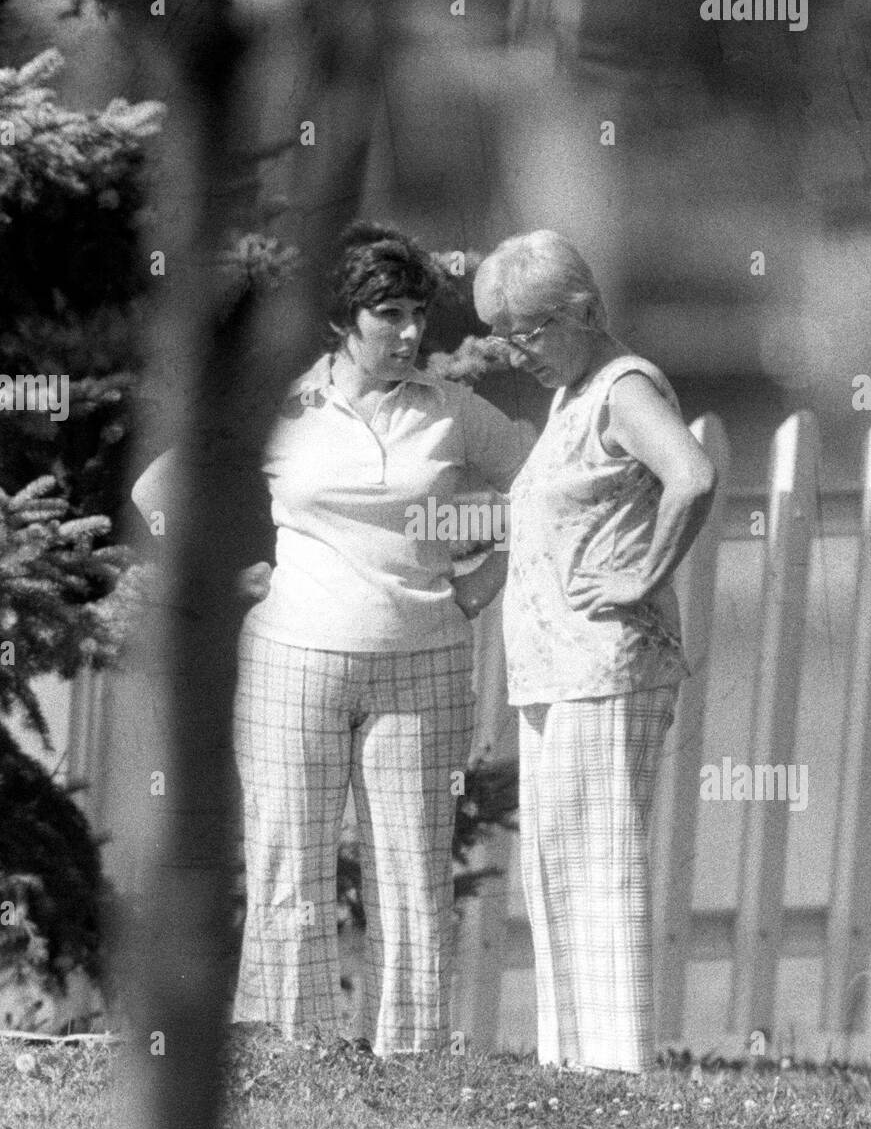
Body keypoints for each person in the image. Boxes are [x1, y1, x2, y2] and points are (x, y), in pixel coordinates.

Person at [133, 222, 530, 1056]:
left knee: (414, 869)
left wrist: (483, 581)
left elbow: (546, 487)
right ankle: (293, 1046)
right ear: (340, 322)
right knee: (289, 861)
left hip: (423, 662)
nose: (412, 333)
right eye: (388, 314)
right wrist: (223, 576)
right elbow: (159, 489)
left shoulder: (451, 410)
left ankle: (411, 1055)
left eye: (419, 313)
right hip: (293, 662)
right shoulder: (281, 406)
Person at [473, 230, 718, 1073]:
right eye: (505, 334)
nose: (517, 351)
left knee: (601, 859)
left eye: (527, 330)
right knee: (555, 865)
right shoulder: (572, 393)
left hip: (605, 666)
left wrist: (641, 577)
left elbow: (691, 474)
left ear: (581, 310)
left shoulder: (621, 388)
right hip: (556, 670)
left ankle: (614, 1063)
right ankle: (571, 1061)